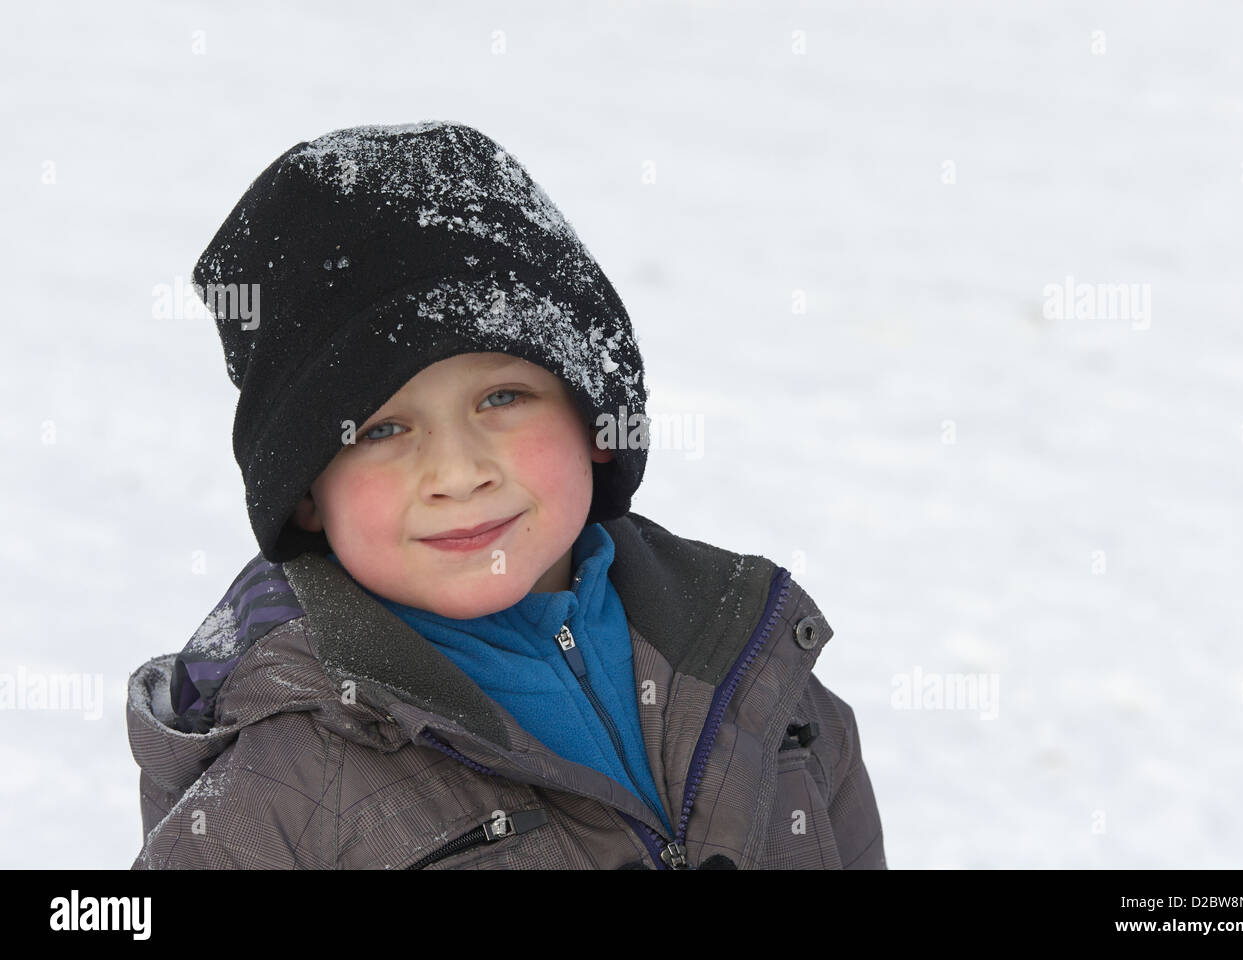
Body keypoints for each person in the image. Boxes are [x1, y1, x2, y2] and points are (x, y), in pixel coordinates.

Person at [125, 122, 887, 869]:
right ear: (306, 496)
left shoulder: (755, 672)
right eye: (384, 429)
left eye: (502, 399)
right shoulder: (279, 792)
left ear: (594, 421)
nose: (458, 472)